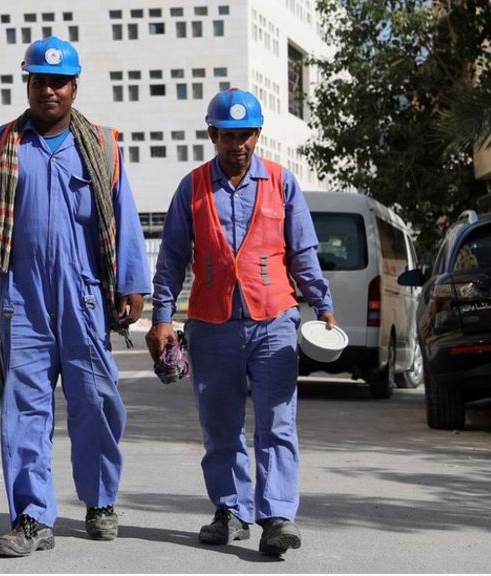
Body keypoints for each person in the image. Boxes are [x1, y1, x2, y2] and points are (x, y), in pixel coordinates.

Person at [0, 36, 151, 557]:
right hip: (21, 295)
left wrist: (132, 283)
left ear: (73, 87)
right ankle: (32, 516)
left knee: (98, 402)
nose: (48, 90)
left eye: (58, 82)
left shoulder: (103, 145)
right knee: (25, 409)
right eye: (39, 80)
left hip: (84, 295)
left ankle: (100, 500)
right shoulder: (1, 146)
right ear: (27, 84)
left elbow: (124, 217)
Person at [145, 88, 337, 557]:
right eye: (229, 136)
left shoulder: (280, 182)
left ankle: (276, 517)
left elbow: (303, 251)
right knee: (221, 424)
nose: (239, 145)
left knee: (277, 423)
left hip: (274, 320)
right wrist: (162, 317)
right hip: (212, 324)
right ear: (213, 134)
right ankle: (230, 511)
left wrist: (322, 304)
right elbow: (171, 259)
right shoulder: (192, 187)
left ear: (258, 135)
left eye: (247, 135)